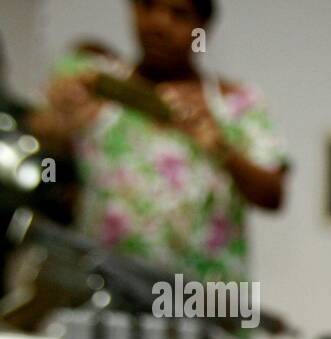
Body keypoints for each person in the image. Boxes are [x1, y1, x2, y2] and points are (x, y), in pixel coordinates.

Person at [28, 0, 288, 284]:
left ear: (202, 27)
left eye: (179, 14)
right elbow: (40, 148)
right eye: (148, 6)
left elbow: (272, 194)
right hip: (105, 286)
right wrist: (60, 120)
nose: (159, 24)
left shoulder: (237, 104)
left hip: (202, 296)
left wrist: (221, 149)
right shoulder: (97, 85)